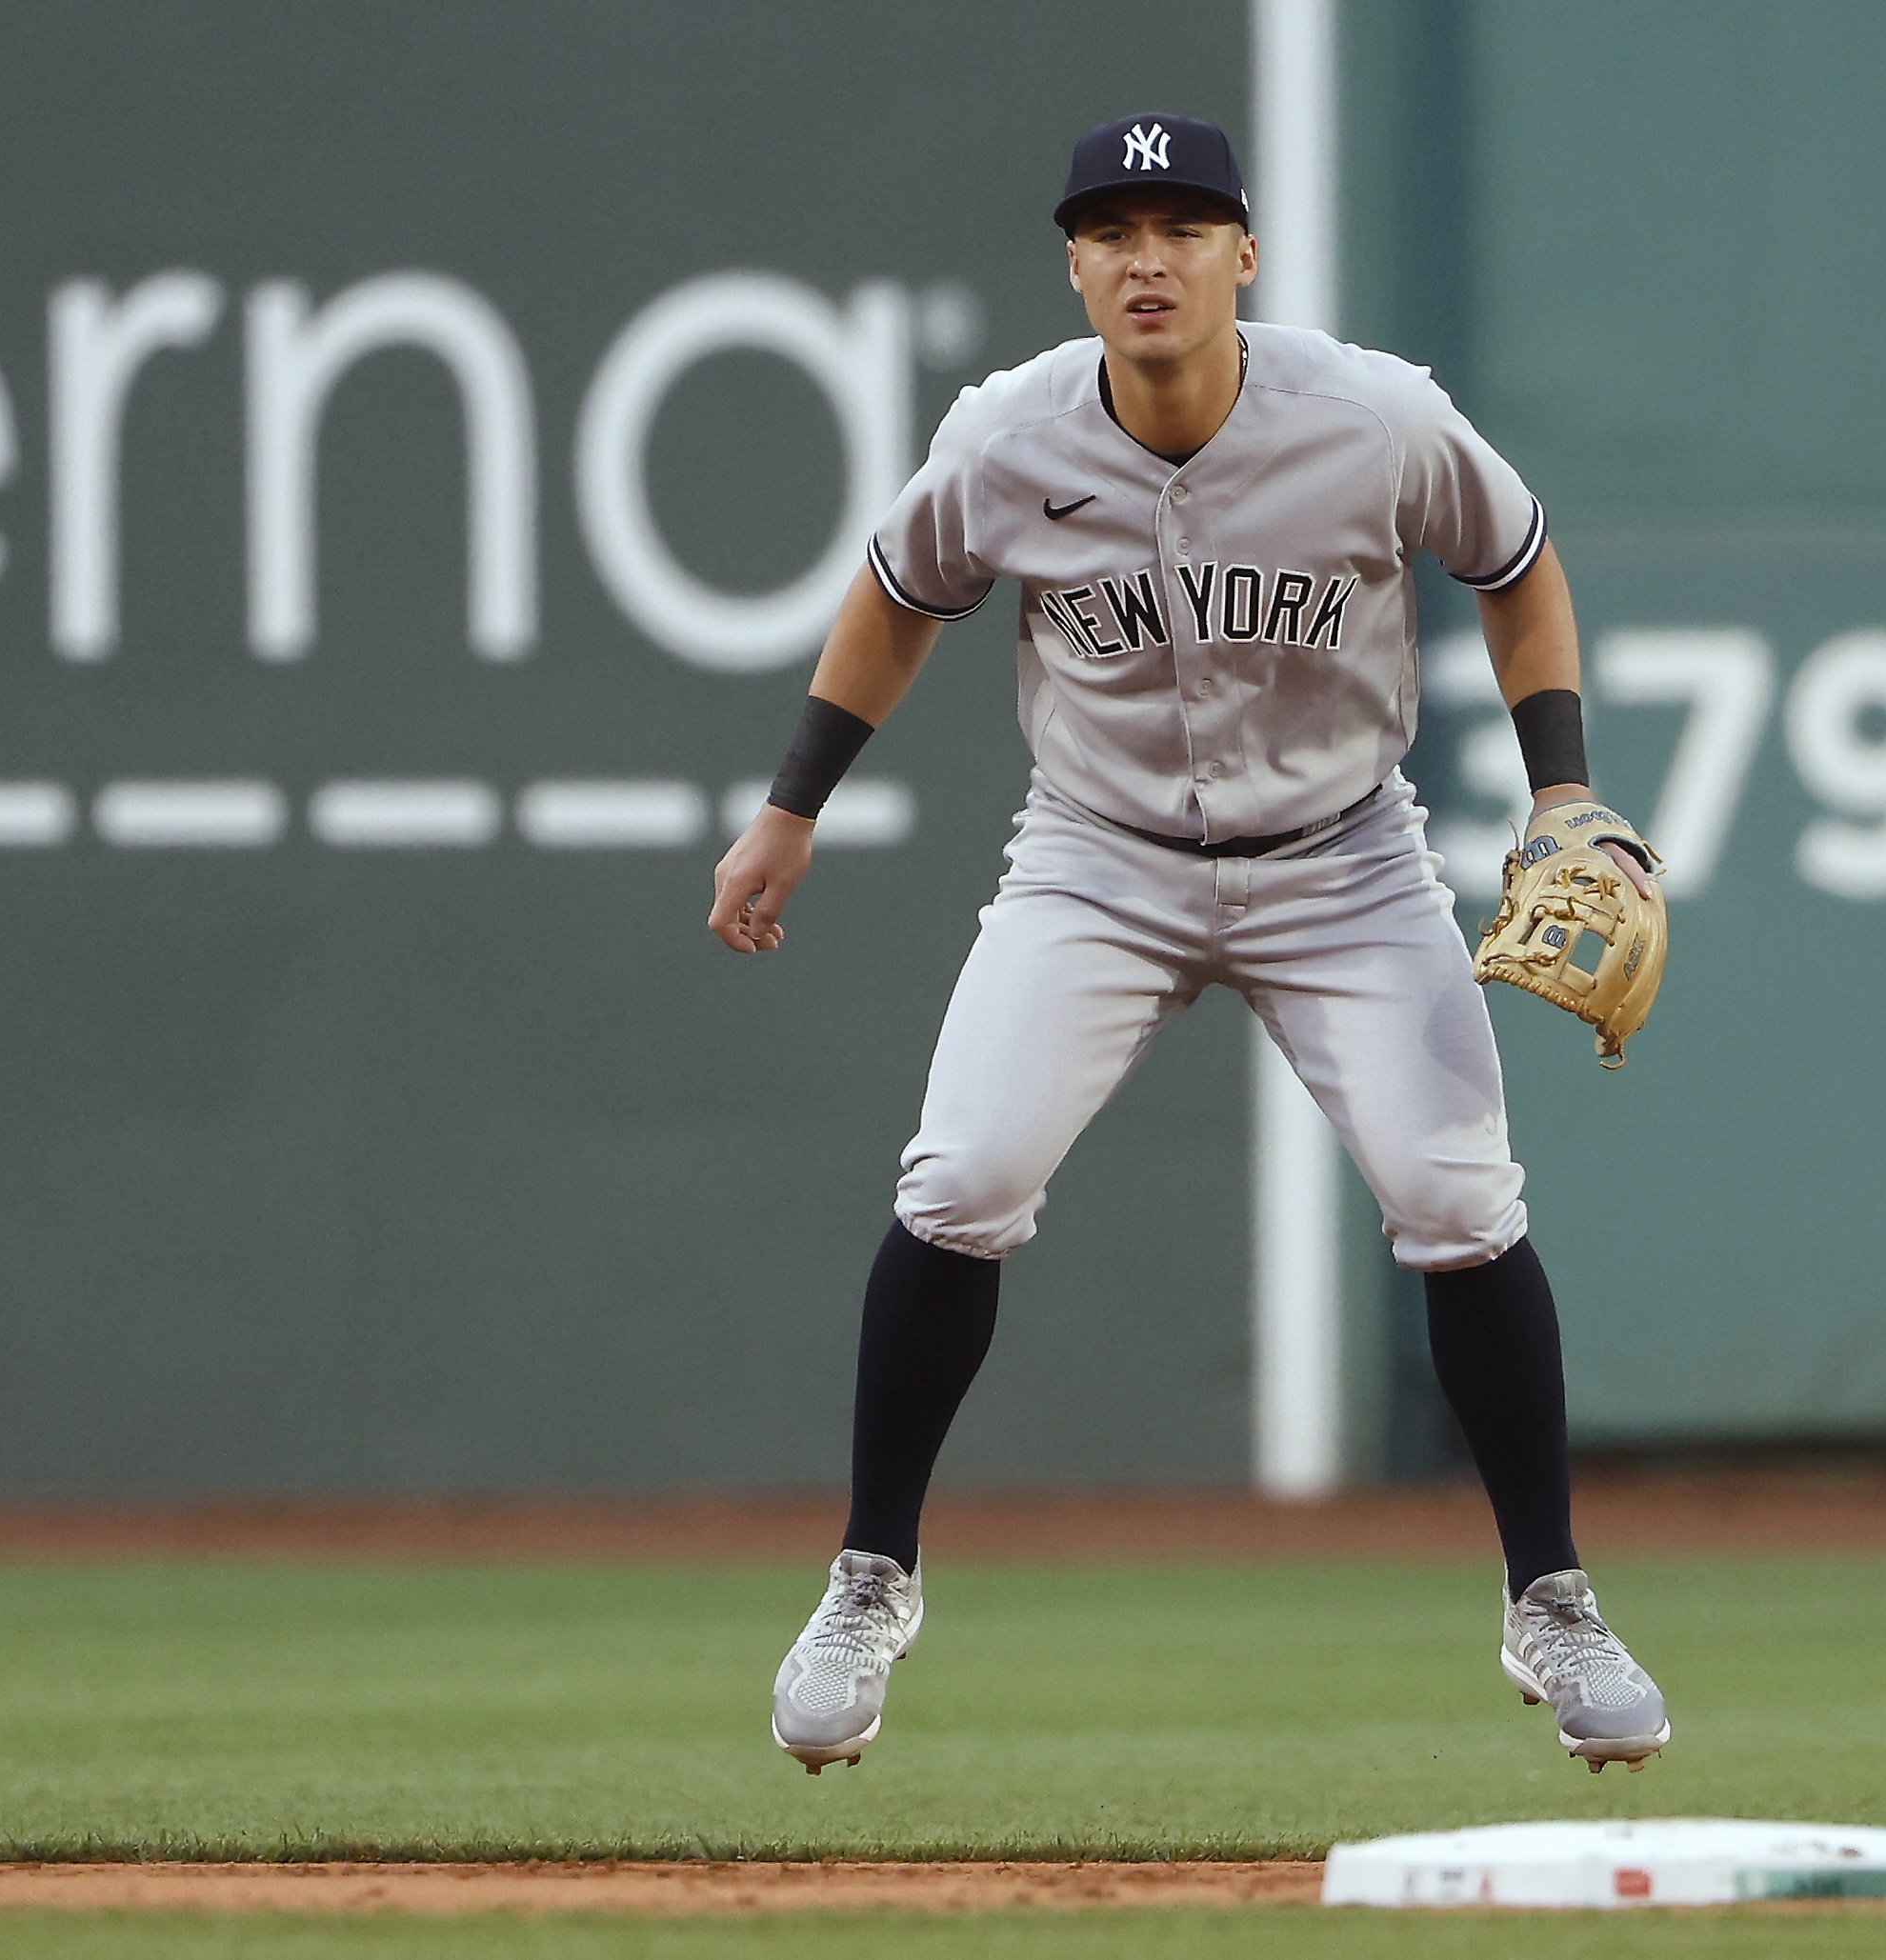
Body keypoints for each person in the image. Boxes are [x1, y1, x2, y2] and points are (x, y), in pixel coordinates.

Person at [710, 113, 1669, 1775]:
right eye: (1110, 228)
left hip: (1343, 859)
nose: (1145, 256)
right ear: (1073, 264)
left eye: (1182, 223)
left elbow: (1515, 565)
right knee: (961, 1172)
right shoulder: (1007, 436)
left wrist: (1564, 788)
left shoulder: (1370, 416)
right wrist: (790, 805)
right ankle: (869, 1578)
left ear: (1245, 254)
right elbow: (892, 591)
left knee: (1458, 1201)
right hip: (1099, 861)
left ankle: (1553, 1598)